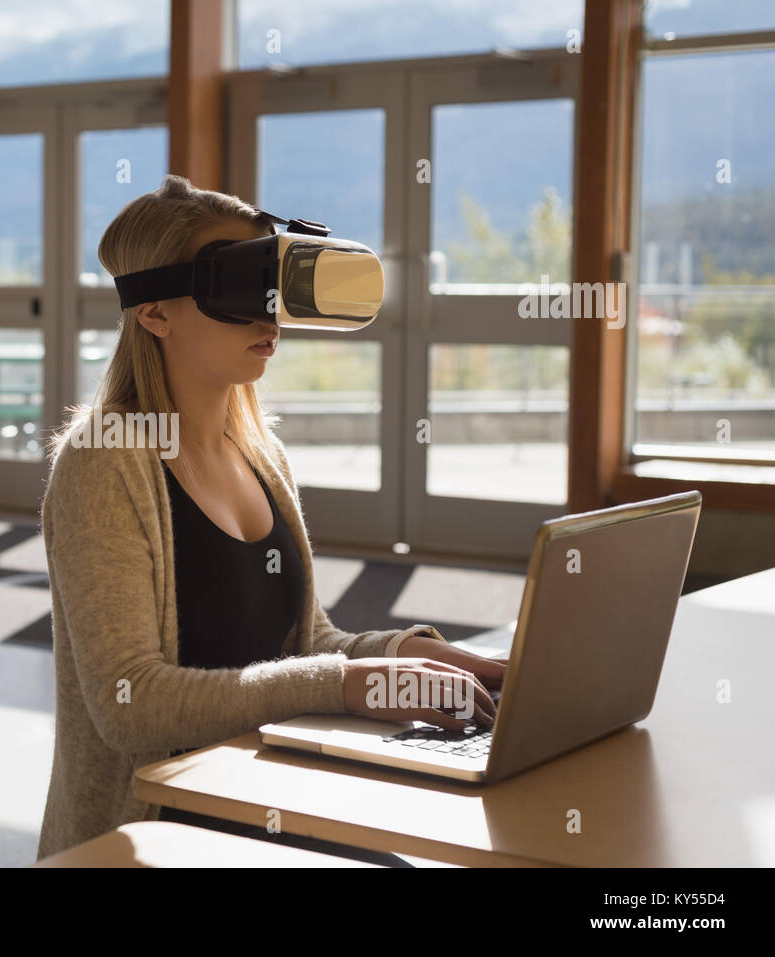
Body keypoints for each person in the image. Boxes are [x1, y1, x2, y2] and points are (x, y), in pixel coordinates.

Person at [36, 174, 505, 861]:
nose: (269, 318)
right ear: (155, 312)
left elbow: (301, 641)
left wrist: (400, 654)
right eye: (238, 288)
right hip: (159, 829)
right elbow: (127, 702)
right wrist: (347, 685)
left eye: (273, 286)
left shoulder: (261, 453)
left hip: (268, 791)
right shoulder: (103, 464)